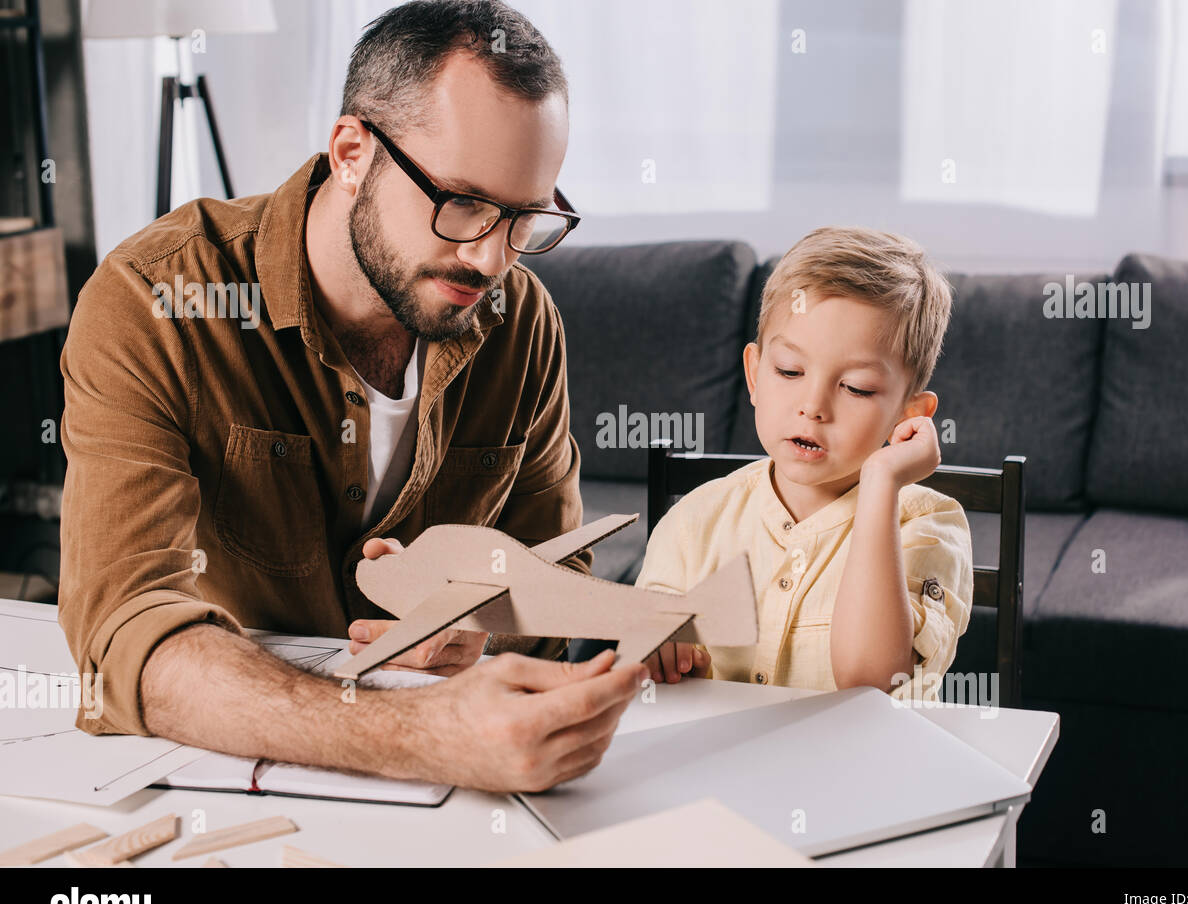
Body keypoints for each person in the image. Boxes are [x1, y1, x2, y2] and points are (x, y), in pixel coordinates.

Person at [57, 0, 644, 793]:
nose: (491, 258)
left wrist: (480, 629)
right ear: (351, 153)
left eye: (524, 218)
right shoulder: (151, 302)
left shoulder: (522, 320)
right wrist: (417, 733)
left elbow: (548, 592)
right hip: (214, 775)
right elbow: (124, 635)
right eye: (463, 203)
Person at [637, 226, 974, 700]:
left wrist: (881, 480)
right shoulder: (694, 522)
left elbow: (868, 685)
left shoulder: (928, 525)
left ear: (907, 415)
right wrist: (655, 646)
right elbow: (645, 664)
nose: (813, 405)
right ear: (754, 374)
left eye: (856, 387)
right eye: (789, 371)